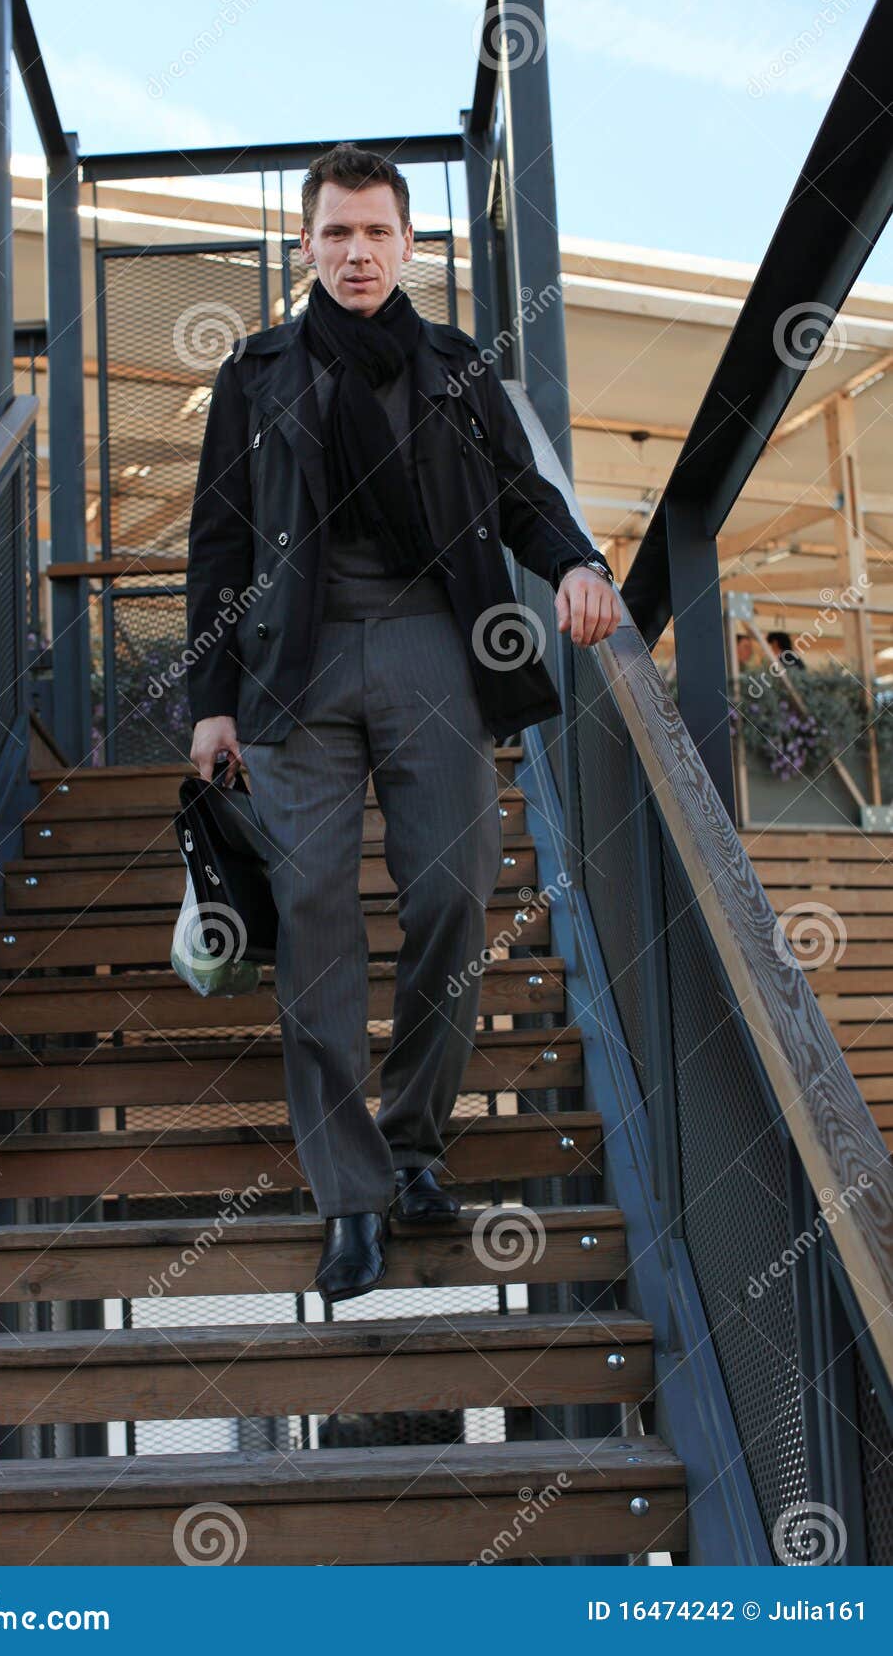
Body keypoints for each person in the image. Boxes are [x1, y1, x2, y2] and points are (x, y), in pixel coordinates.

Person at [185, 142, 621, 1304]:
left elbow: (523, 495)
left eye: (376, 232)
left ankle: (415, 1140)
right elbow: (217, 544)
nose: (356, 252)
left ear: (408, 244)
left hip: (435, 639)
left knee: (449, 892)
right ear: (304, 246)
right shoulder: (255, 371)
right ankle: (351, 1199)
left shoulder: (455, 367)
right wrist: (210, 700)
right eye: (335, 233)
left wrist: (575, 562)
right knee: (317, 917)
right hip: (296, 664)